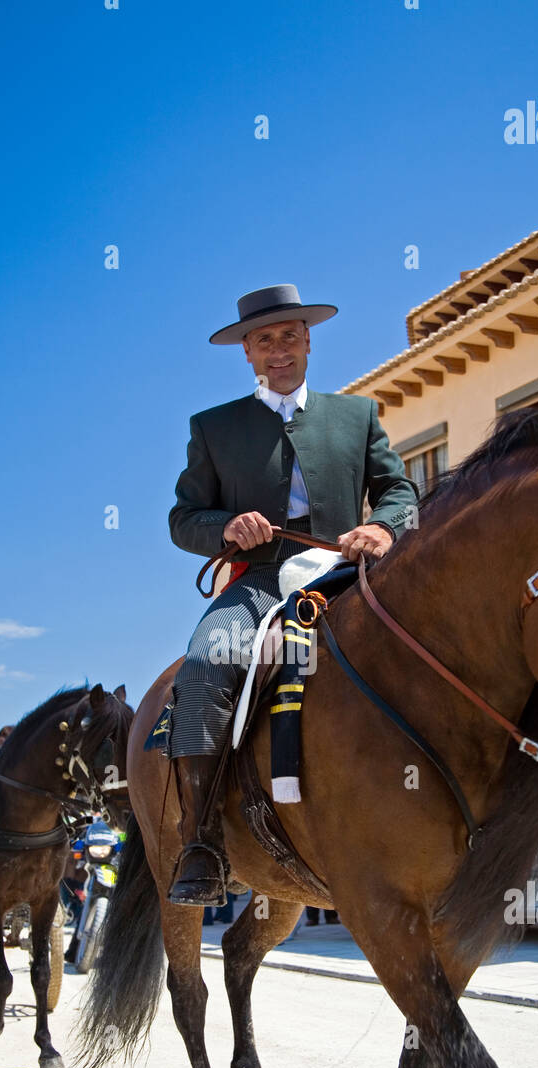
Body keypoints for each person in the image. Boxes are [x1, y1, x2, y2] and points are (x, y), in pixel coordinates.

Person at [167, 283, 418, 905]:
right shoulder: (213, 428)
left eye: (288, 335)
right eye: (263, 340)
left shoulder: (357, 415)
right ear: (247, 353)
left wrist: (383, 528)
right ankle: (203, 842)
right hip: (257, 582)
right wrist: (226, 528)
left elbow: (399, 491)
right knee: (202, 667)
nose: (278, 349)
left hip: (345, 574)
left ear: (308, 340)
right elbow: (182, 518)